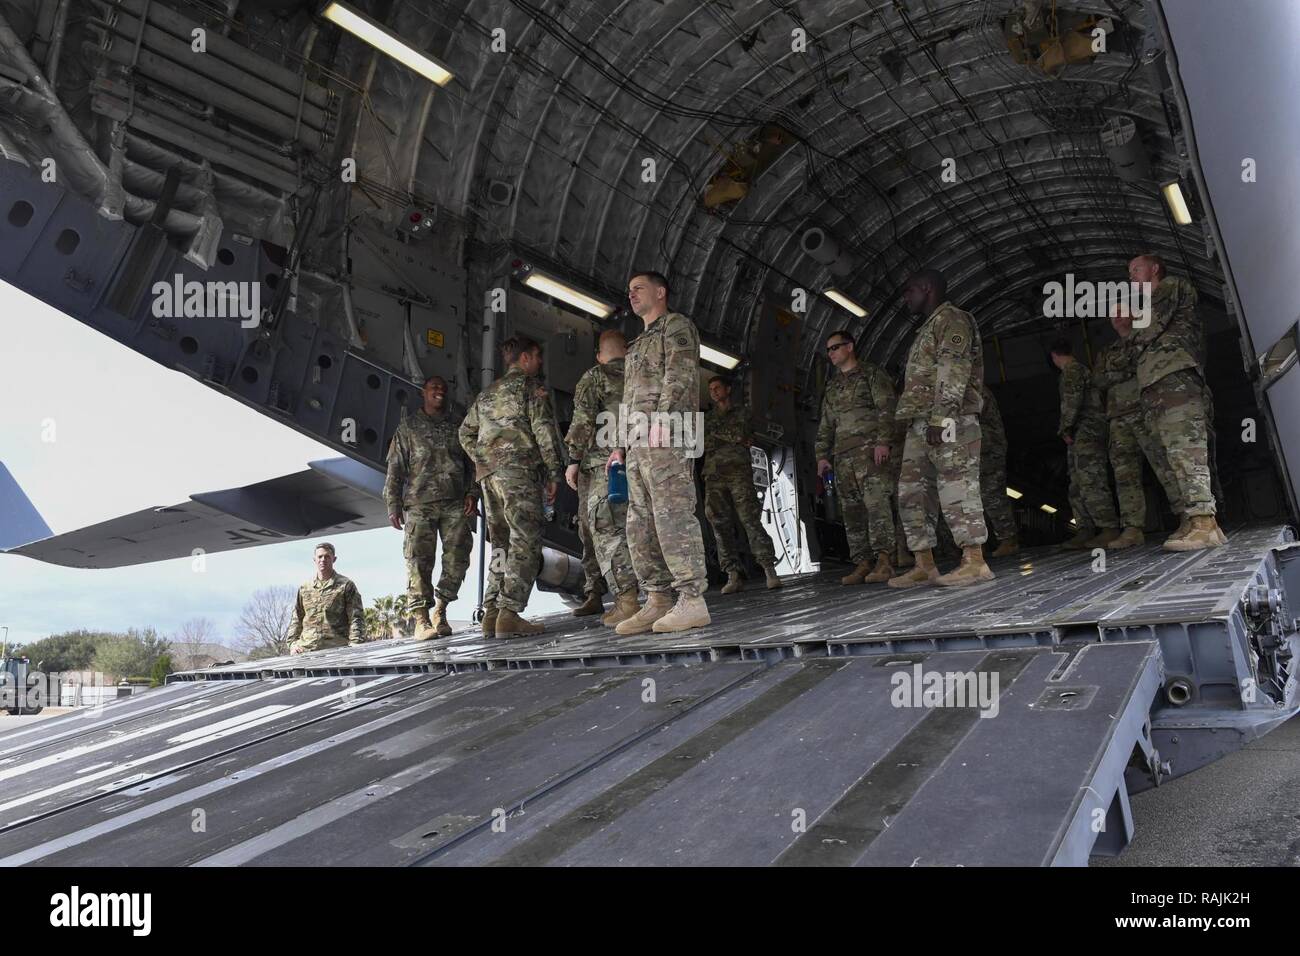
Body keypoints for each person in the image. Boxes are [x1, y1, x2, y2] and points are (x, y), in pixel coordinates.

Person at [608, 270, 711, 635]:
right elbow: (629, 399)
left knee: (672, 515)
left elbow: (681, 375)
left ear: (661, 292)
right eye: (629, 290)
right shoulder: (637, 344)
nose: (632, 295)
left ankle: (692, 600)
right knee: (640, 524)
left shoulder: (676, 326)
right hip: (638, 444)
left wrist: (664, 422)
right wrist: (619, 445)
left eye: (639, 288)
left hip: (666, 436)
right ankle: (658, 599)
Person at [888, 268, 993, 588]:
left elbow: (953, 368)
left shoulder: (954, 319)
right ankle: (924, 564)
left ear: (926, 287)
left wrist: (942, 418)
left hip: (948, 420)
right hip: (920, 423)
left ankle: (975, 561)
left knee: (956, 488)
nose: (906, 298)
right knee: (911, 493)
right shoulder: (926, 328)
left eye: (909, 291)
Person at [459, 335, 564, 637]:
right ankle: (510, 612)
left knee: (502, 544)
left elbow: (465, 433)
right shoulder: (531, 389)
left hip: (489, 476)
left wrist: (484, 459)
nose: (540, 363)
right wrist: (554, 473)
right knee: (526, 540)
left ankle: (491, 613)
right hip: (519, 472)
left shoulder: (487, 395)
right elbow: (544, 432)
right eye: (537, 356)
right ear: (527, 358)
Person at [1127, 254, 1226, 550]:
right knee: (1170, 454)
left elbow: (1146, 330)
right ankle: (1191, 519)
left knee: (1186, 449)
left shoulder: (1170, 286)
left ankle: (1204, 522)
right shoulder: (1149, 302)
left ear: (1155, 268)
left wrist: (1132, 334)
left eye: (1136, 269)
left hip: (1176, 379)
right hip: (1158, 385)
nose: (1131, 275)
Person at [383, 375, 478, 640]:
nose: (439, 391)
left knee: (458, 558)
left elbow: (472, 464)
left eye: (443, 388)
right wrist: (393, 504)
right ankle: (421, 620)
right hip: (419, 505)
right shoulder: (408, 428)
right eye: (434, 387)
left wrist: (472, 493)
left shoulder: (457, 426)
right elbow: (395, 469)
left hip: (454, 503)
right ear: (423, 393)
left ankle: (441, 609)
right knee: (418, 562)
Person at [565, 329, 640, 627]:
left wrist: (573, 461)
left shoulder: (595, 376)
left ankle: (627, 599)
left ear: (599, 355)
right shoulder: (642, 374)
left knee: (605, 529)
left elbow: (583, 420)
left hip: (604, 466)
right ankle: (661, 596)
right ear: (627, 349)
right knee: (639, 527)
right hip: (642, 462)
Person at [1093, 307, 1182, 549]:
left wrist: (1117, 371)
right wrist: (1122, 370)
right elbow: (1098, 380)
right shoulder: (1107, 351)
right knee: (1124, 476)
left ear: (1134, 315)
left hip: (1145, 411)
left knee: (1163, 465)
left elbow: (1144, 366)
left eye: (1121, 312)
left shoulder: (1144, 338)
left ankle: (1187, 517)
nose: (1117, 317)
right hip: (1118, 418)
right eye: (1112, 314)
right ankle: (1132, 529)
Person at [815, 330, 898, 585]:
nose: (831, 353)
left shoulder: (872, 374)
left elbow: (886, 408)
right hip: (843, 457)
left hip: (869, 452)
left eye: (835, 347)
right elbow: (826, 423)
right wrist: (822, 455)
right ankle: (862, 562)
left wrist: (883, 442)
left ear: (850, 347)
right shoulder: (832, 386)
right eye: (828, 350)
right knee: (851, 511)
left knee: (876, 505)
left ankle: (885, 561)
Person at [702, 376, 782, 594]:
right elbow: (705, 441)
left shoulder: (743, 412)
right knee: (719, 524)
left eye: (717, 387)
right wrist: (733, 437)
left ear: (728, 389)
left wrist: (723, 435)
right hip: (714, 475)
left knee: (750, 519)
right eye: (710, 389)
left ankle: (769, 569)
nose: (714, 392)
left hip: (739, 473)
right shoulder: (707, 418)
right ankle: (733, 574)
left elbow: (739, 433)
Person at [1049, 339, 1120, 549]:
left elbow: (1072, 400)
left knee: (1091, 479)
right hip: (1082, 432)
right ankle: (1085, 530)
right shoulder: (1077, 370)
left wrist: (1065, 428)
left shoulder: (1072, 371)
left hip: (1086, 430)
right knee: (1077, 482)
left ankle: (1108, 528)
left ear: (1054, 355)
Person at [286, 542, 365, 654]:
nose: (323, 560)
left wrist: (355, 645)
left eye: (327, 556)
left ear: (334, 559)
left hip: (337, 650)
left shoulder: (345, 585)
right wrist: (292, 644)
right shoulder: (305, 588)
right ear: (314, 559)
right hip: (306, 650)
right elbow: (297, 617)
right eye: (320, 556)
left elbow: (356, 618)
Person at [979, 383, 1019, 557]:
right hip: (980, 449)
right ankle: (983, 544)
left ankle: (1008, 540)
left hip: (988, 450)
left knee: (992, 495)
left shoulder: (977, 390)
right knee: (978, 498)